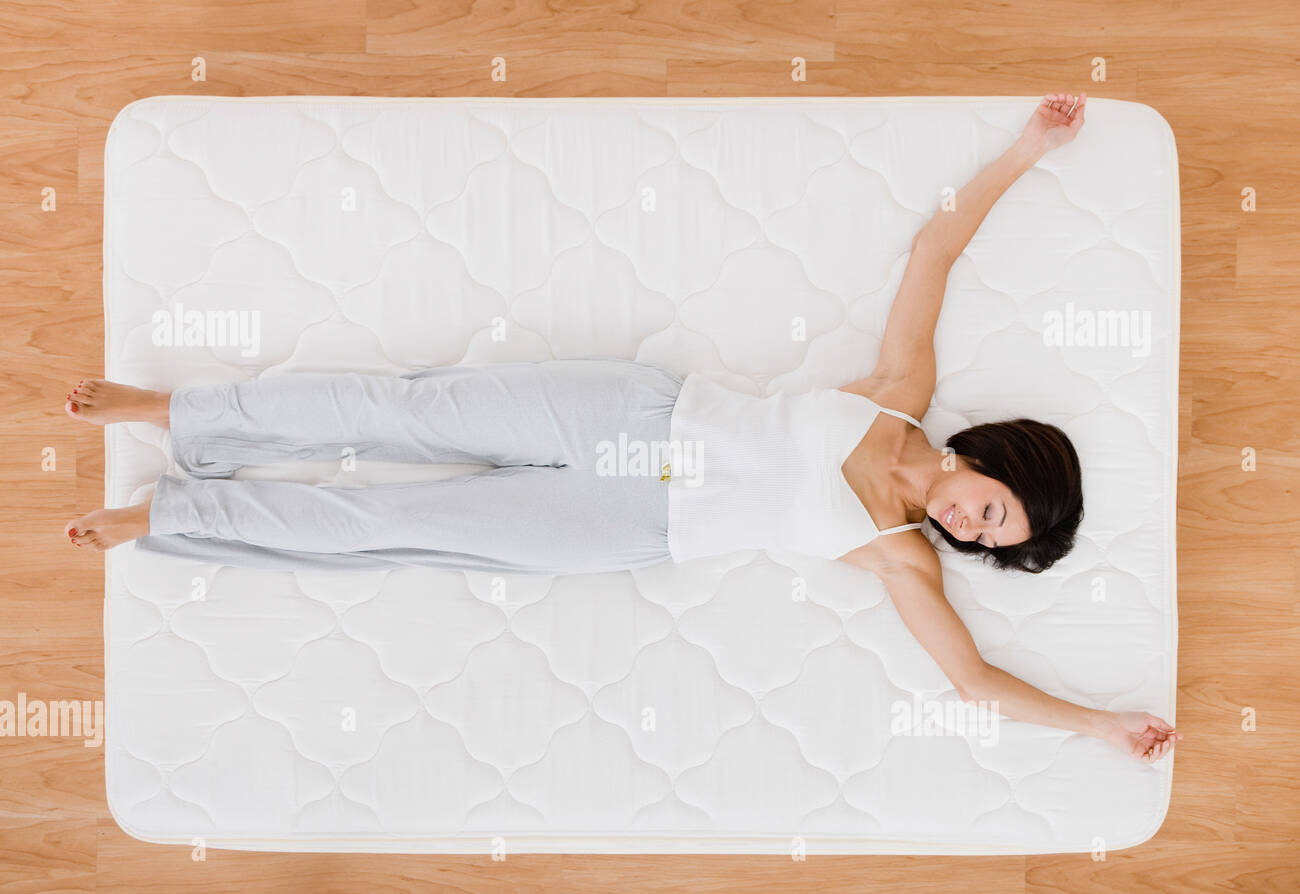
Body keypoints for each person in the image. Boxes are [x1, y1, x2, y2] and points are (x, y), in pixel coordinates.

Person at [63, 92, 1179, 762]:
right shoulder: (899, 391)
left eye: (984, 540)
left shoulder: (894, 560)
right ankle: (172, 411)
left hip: (617, 522)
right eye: (989, 508)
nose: (965, 526)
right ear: (988, 459)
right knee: (400, 408)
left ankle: (166, 511)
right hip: (632, 409)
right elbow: (933, 255)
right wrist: (1031, 149)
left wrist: (1101, 726)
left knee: (381, 522)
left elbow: (974, 686)